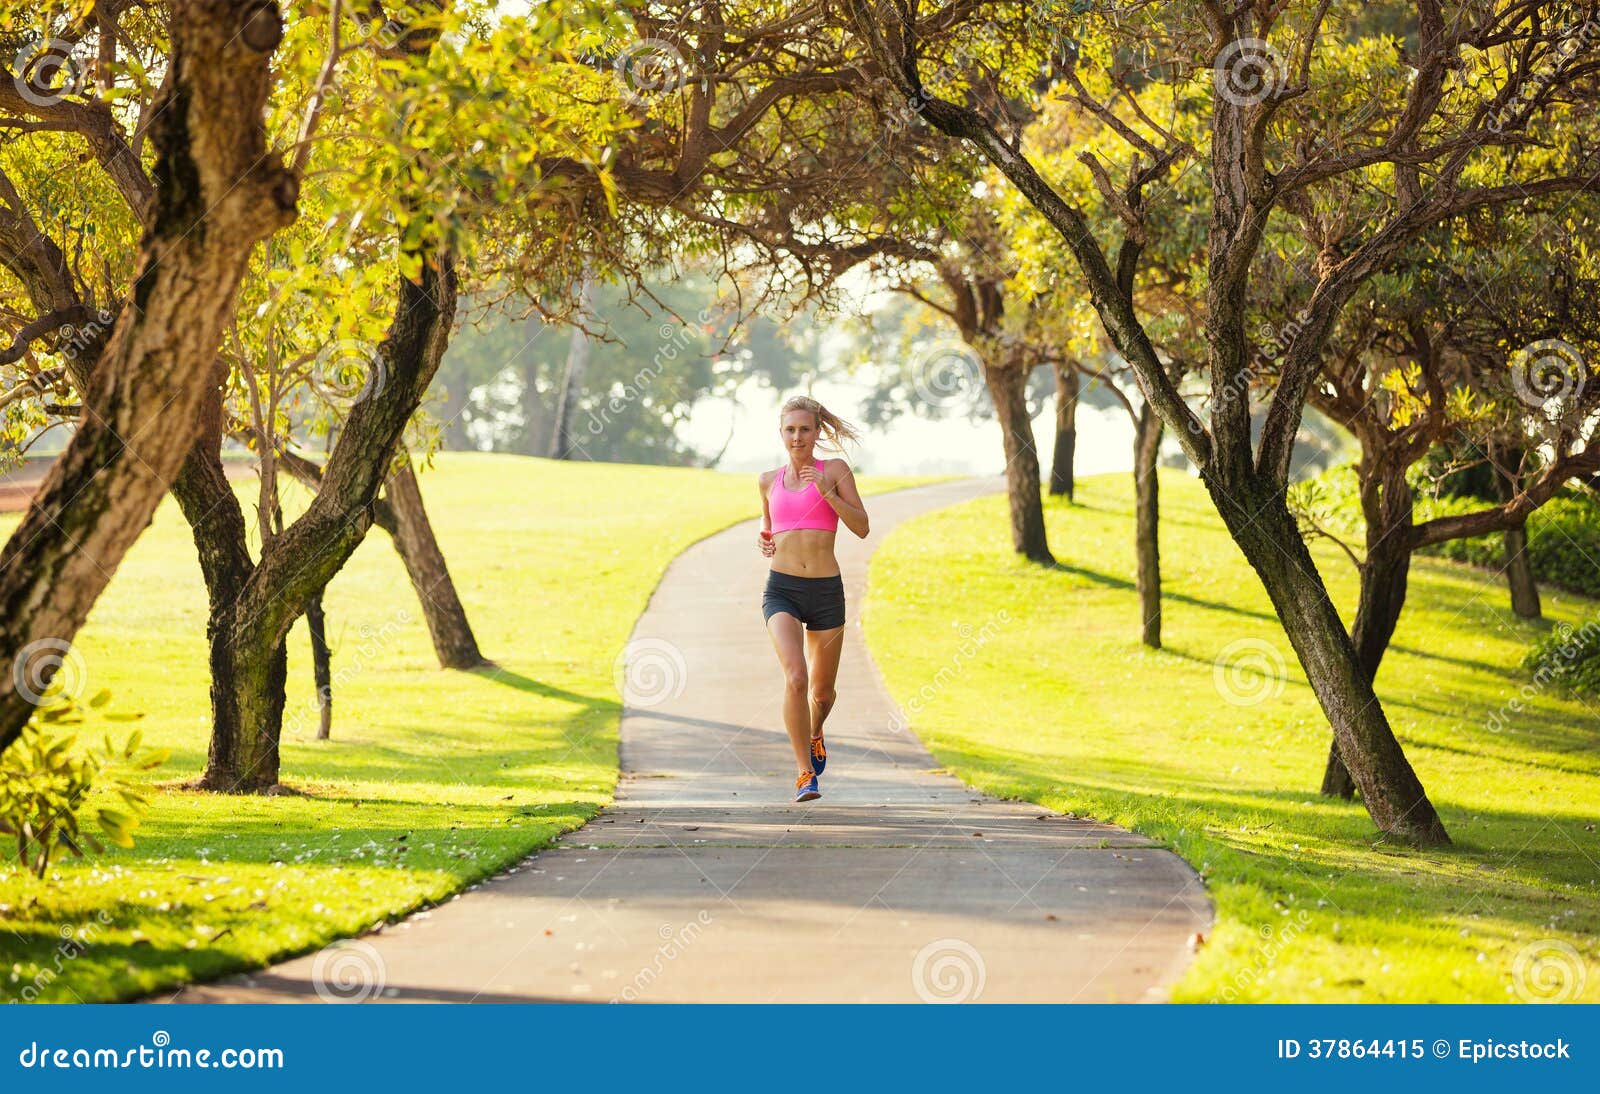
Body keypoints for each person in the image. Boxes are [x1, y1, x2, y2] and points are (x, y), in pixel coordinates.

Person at [757, 395, 871, 803]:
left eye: (805, 429)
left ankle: (816, 731)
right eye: (790, 429)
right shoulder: (768, 480)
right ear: (781, 433)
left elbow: (862, 527)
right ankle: (804, 772)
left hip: (825, 592)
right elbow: (769, 523)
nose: (797, 436)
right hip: (782, 590)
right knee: (796, 677)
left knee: (822, 694)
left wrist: (828, 493)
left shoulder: (834, 470)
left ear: (817, 431)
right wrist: (765, 537)